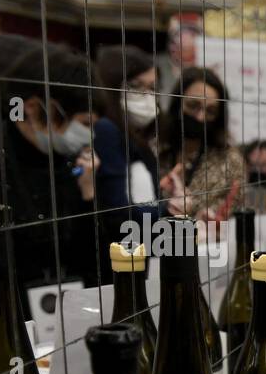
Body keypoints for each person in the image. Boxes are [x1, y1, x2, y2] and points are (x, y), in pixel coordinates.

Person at [0, 38, 101, 298]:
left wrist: (89, 196)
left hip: (67, 305)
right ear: (32, 107)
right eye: (83, 124)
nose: (88, 135)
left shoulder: (68, 159)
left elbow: (89, 257)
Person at [92, 45, 161, 243]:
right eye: (135, 85)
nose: (146, 95)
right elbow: (118, 211)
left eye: (152, 87)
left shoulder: (137, 135)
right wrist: (170, 209)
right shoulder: (106, 130)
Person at [158, 67, 245, 222]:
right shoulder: (154, 148)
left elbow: (229, 216)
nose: (200, 117)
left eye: (210, 111)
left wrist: (210, 223)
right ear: (178, 103)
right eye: (192, 106)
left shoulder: (230, 161)